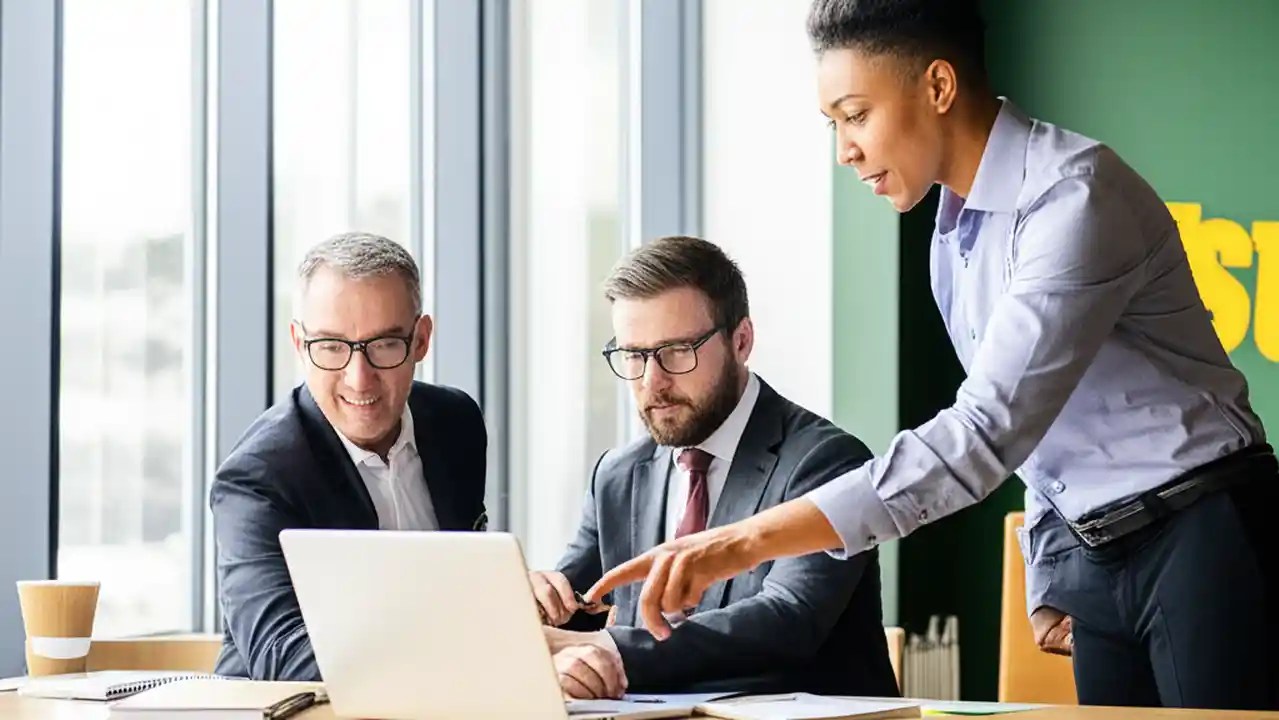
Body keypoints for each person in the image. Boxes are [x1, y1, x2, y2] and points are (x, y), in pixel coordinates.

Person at [587, 0, 1278, 710]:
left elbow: (985, 430)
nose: (844, 151)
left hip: (1201, 529)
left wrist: (738, 544)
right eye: (834, 125)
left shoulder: (1076, 197)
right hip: (1097, 555)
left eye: (855, 115)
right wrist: (1052, 564)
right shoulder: (953, 235)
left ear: (939, 88)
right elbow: (1034, 422)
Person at [534, 236, 898, 700]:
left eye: (677, 352)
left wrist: (608, 647)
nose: (653, 382)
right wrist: (538, 606)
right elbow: (574, 609)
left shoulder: (824, 462)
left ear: (741, 341)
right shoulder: (617, 475)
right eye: (634, 355)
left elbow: (785, 621)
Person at [210, 232, 487, 681]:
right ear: (300, 343)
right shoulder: (258, 478)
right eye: (332, 347)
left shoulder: (456, 422)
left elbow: (460, 581)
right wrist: (479, 645)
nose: (359, 379)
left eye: (383, 345)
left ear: (421, 340)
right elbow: (284, 658)